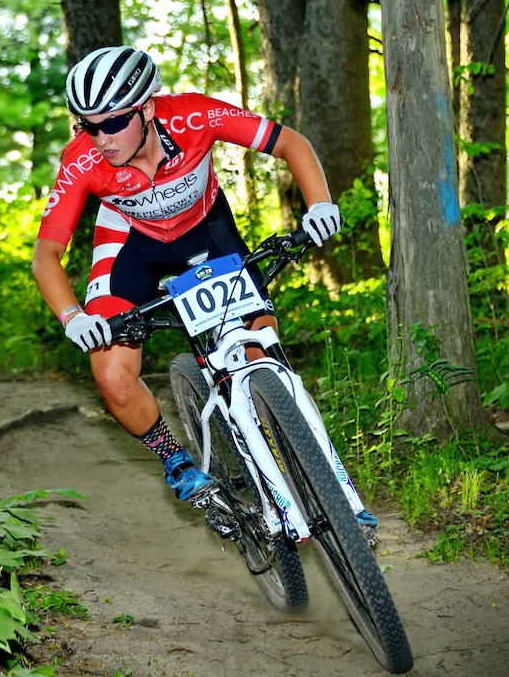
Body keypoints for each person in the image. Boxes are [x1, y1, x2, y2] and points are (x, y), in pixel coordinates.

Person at [32, 45, 345, 505]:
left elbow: (290, 143)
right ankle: (175, 458)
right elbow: (46, 254)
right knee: (111, 374)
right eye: (88, 126)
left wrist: (319, 204)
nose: (101, 139)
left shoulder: (194, 116)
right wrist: (72, 315)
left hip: (205, 230)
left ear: (148, 109)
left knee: (260, 345)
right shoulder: (82, 160)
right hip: (131, 246)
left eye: (113, 123)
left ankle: (300, 456)